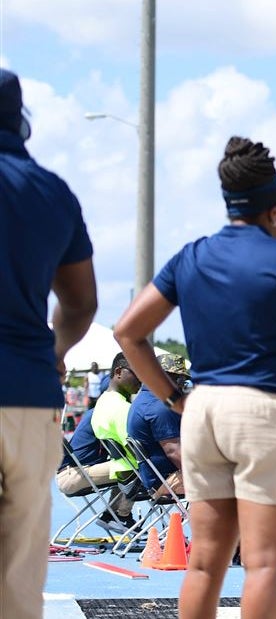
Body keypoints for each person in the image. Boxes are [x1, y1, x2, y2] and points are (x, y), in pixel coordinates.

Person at [114, 136, 276, 619]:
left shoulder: (191, 256)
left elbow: (129, 332)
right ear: (272, 212)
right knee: (265, 564)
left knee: (205, 564)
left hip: (204, 409)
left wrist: (173, 398)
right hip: (269, 412)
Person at [0, 68, 97, 619]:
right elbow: (81, 302)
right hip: (28, 390)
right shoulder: (52, 193)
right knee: (18, 577)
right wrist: (55, 351)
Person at [56, 352, 142, 533]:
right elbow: (134, 450)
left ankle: (113, 515)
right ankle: (120, 516)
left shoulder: (103, 403)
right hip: (74, 475)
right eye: (137, 373)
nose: (141, 379)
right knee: (137, 466)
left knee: (125, 464)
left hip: (74, 471)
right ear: (118, 372)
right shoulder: (116, 408)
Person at [125, 354, 191, 499]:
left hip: (154, 479)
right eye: (180, 380)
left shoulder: (142, 401)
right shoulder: (160, 407)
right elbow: (174, 451)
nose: (182, 386)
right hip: (166, 482)